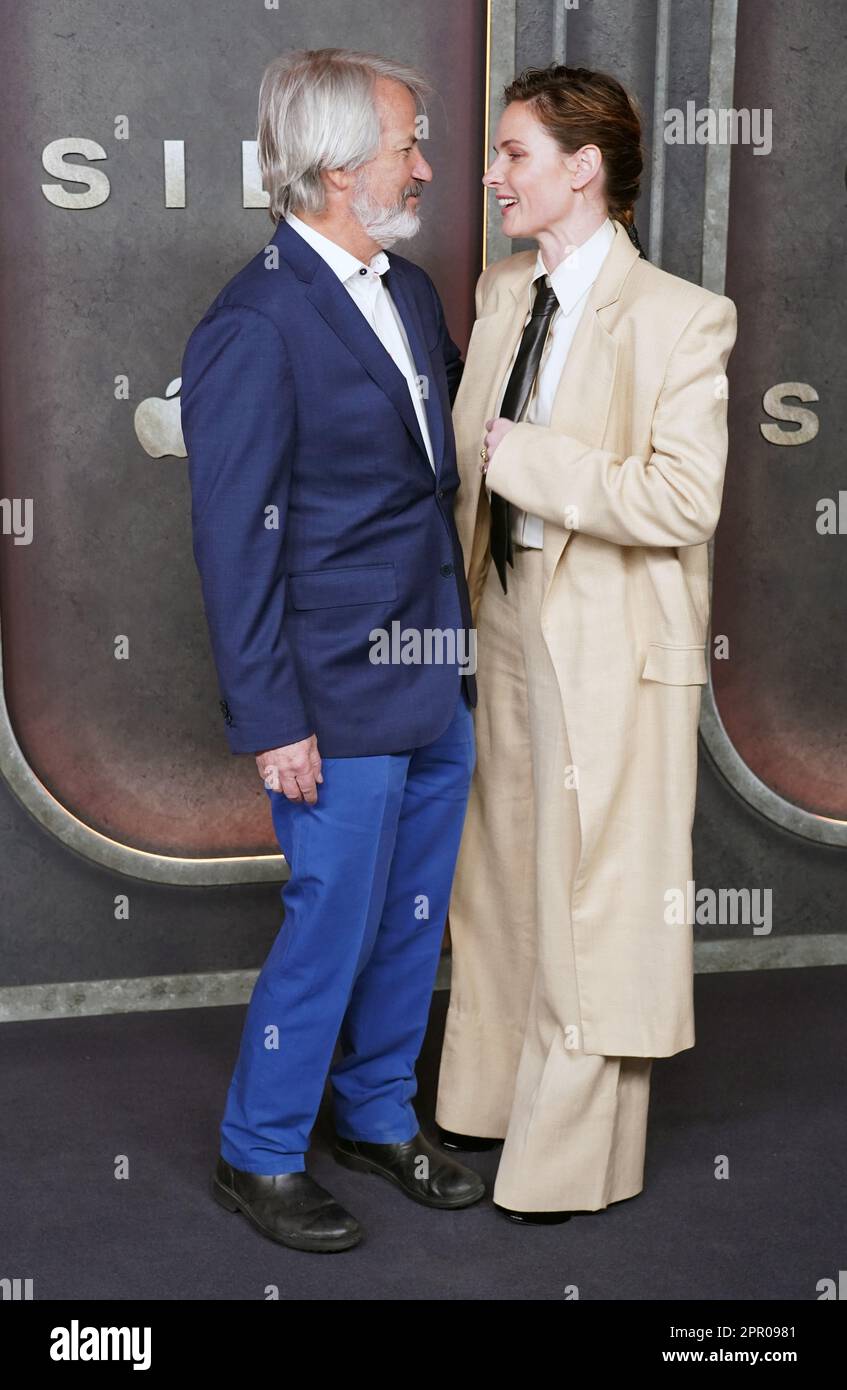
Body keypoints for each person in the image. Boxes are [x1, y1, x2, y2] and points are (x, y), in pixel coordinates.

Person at [180, 47, 482, 1255]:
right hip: (329, 696)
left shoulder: (405, 291)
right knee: (333, 923)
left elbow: (431, 477)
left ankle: (372, 1113)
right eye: (409, 144)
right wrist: (270, 720)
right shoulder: (251, 321)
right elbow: (232, 546)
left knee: (413, 920)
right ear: (336, 168)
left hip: (433, 673)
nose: (424, 164)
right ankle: (257, 1153)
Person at [435, 64, 738, 1222]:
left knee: (592, 897)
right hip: (499, 618)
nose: (491, 173)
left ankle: (569, 1165)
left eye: (513, 153)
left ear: (584, 169)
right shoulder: (504, 289)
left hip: (612, 650)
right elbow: (461, 462)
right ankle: (485, 1105)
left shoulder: (682, 316)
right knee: (501, 873)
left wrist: (532, 462)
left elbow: (681, 500)